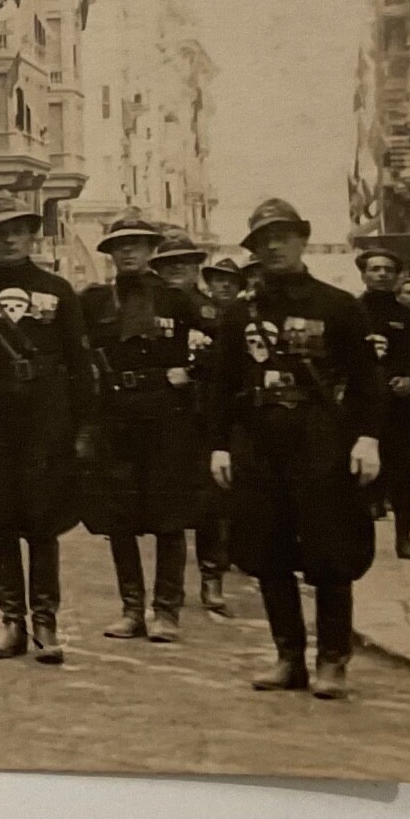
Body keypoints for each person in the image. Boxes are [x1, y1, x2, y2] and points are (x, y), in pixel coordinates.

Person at [208, 198, 383, 699]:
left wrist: (367, 438)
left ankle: (332, 660)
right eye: (264, 240)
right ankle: (288, 657)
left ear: (303, 240)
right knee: (269, 551)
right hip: (260, 444)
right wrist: (220, 446)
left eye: (283, 236)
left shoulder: (338, 305)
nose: (274, 246)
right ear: (255, 250)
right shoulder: (241, 311)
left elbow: (367, 382)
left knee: (330, 553)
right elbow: (221, 385)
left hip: (321, 442)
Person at [0, 192, 95, 664]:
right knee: (2, 521)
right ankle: (12, 621)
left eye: (19, 230)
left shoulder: (59, 291)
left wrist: (85, 427)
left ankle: (46, 623)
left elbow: (79, 364)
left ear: (33, 235)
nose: (10, 239)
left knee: (43, 521)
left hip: (46, 422)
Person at [81, 215, 208, 642]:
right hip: (115, 415)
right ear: (110, 253)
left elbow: (229, 341)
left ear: (152, 249)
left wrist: (193, 373)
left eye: (137, 244)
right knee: (120, 515)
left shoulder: (176, 299)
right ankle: (131, 609)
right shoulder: (95, 301)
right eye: (120, 246)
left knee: (169, 515)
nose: (129, 252)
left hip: (166, 414)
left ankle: (167, 612)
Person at [156, 234, 233, 617]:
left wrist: (193, 373)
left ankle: (211, 577)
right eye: (168, 265)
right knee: (168, 502)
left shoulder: (211, 311)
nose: (176, 271)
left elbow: (229, 364)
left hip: (202, 415)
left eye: (184, 264)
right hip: (161, 418)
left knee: (209, 501)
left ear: (195, 269)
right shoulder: (149, 307)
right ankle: (170, 589)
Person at [354, 249, 410, 555]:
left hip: (398, 409)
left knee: (401, 473)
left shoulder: (408, 317)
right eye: (375, 269)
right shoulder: (350, 311)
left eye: (388, 270)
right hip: (358, 407)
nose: (381, 274)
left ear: (396, 277)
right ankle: (354, 541)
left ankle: (403, 538)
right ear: (363, 274)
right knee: (353, 473)